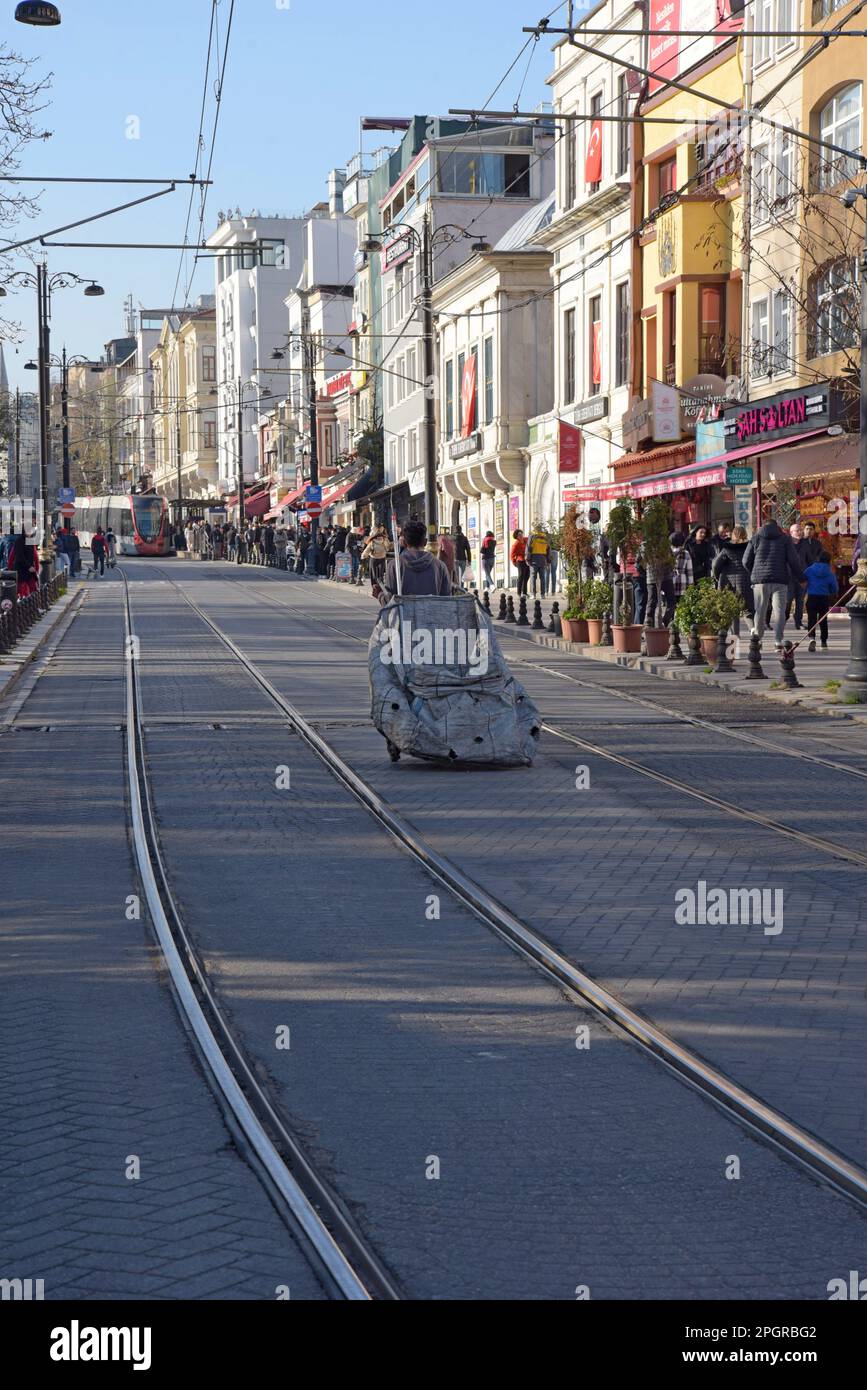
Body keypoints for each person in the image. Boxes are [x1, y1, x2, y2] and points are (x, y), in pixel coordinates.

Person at [743, 518, 805, 649]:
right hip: (780, 579)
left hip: (760, 581)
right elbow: (794, 560)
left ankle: (758, 640)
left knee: (759, 610)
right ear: (777, 526)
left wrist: (753, 573)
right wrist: (801, 578)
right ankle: (778, 641)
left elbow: (745, 560)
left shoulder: (756, 538)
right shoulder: (785, 539)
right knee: (779, 611)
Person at [376, 519, 451, 603]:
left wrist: (379, 595)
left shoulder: (394, 565)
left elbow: (391, 603)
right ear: (425, 542)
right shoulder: (440, 566)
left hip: (404, 615)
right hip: (432, 615)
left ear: (404, 543)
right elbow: (447, 600)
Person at [711, 524, 754, 620]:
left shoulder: (727, 548)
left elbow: (715, 564)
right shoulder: (750, 547)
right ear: (745, 534)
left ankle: (735, 634)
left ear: (733, 535)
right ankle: (753, 630)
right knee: (748, 609)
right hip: (746, 580)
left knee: (731, 609)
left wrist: (717, 576)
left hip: (728, 581)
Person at [804, 548, 838, 651]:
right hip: (823, 598)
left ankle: (811, 638)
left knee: (811, 619)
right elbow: (834, 588)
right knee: (823, 620)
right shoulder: (829, 572)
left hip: (812, 597)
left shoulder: (809, 569)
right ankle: (824, 642)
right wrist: (831, 592)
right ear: (828, 560)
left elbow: (803, 579)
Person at [786, 522, 810, 629]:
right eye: (797, 530)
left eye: (801, 530)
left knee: (800, 600)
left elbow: (809, 559)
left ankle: (798, 622)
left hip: (802, 576)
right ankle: (785, 617)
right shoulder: (786, 543)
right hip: (789, 576)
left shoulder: (805, 544)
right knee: (788, 599)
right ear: (791, 532)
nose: (800, 532)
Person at [10, 530, 39, 596]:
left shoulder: (30, 540)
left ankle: (34, 605)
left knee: (33, 589)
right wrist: (28, 567)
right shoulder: (19, 541)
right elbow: (19, 557)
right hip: (21, 570)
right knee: (23, 592)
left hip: (30, 571)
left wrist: (35, 567)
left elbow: (34, 556)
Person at [528, 524, 551, 598]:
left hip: (534, 558)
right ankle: (543, 594)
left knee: (533, 577)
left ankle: (533, 594)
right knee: (542, 578)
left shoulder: (532, 536)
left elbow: (529, 548)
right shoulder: (545, 537)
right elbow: (548, 549)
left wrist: (527, 558)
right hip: (543, 559)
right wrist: (548, 560)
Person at [670, 531, 694, 600]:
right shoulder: (686, 553)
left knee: (669, 606)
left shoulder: (667, 553)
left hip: (669, 582)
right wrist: (691, 585)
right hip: (682, 583)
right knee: (680, 607)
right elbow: (689, 571)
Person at [511, 529, 530, 598]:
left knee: (527, 576)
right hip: (520, 561)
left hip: (527, 561)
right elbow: (512, 554)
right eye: (519, 534)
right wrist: (514, 562)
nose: (521, 535)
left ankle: (524, 592)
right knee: (521, 576)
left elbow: (530, 538)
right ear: (516, 536)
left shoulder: (525, 540)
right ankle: (519, 592)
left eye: (521, 533)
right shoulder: (516, 544)